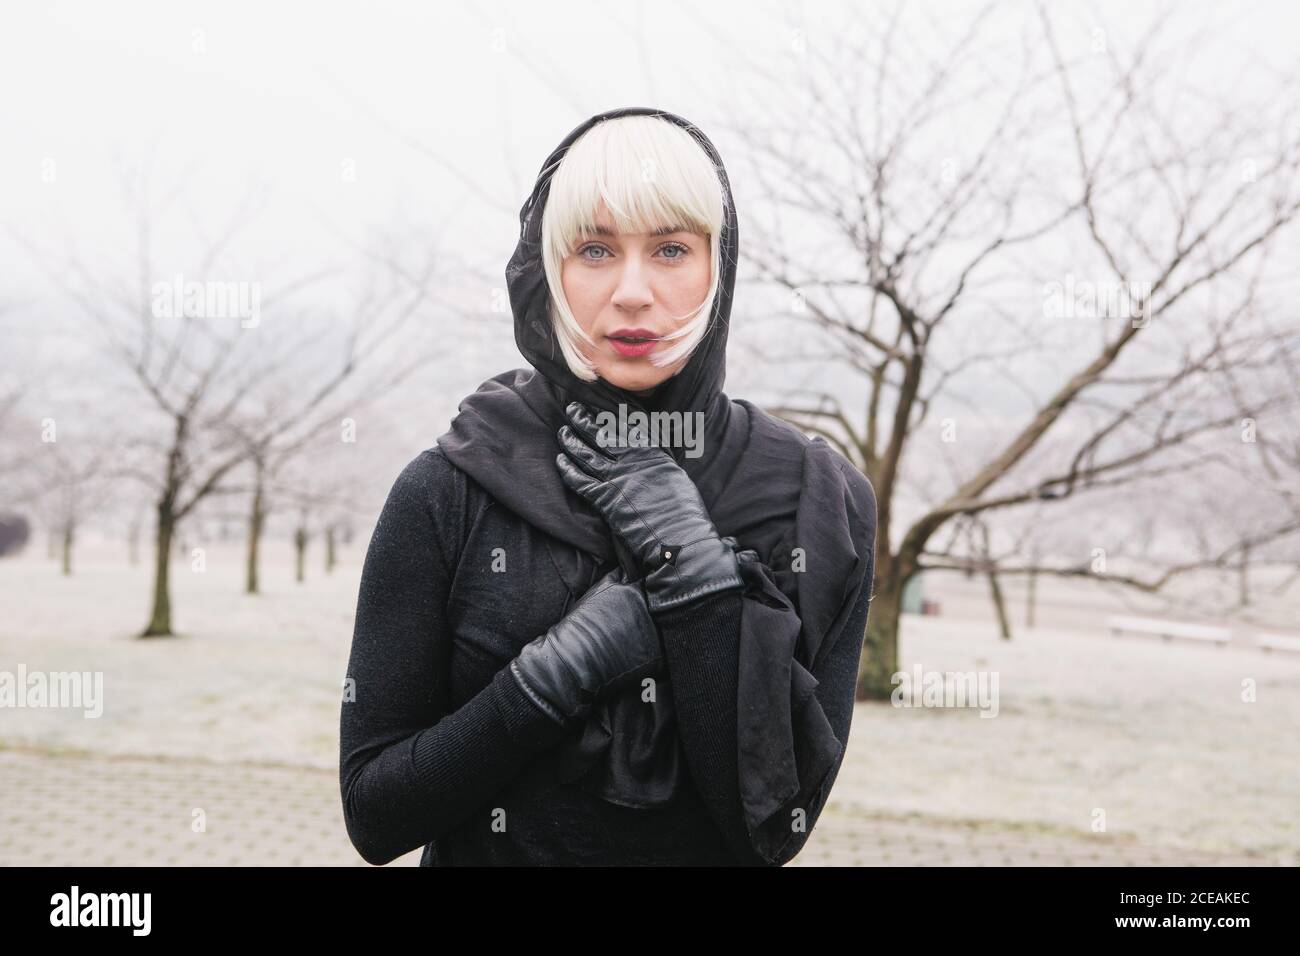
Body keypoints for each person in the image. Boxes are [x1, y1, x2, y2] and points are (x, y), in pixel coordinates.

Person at [338, 106, 878, 866]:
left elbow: (775, 832)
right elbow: (375, 814)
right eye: (594, 249)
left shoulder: (818, 501)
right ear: (547, 269)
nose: (632, 291)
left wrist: (698, 583)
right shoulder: (449, 487)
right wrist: (559, 673)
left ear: (718, 267)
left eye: (669, 248)